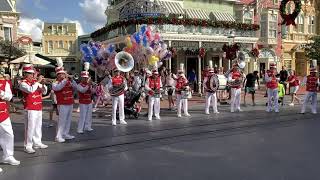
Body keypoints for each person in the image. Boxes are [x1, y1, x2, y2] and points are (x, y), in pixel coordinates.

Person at [19, 64, 48, 153]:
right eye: (30, 74)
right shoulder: (23, 83)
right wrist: (37, 82)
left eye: (33, 74)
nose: (32, 75)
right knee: (30, 128)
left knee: (38, 126)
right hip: (30, 108)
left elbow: (44, 92)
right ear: (25, 74)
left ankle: (37, 142)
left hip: (38, 107)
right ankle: (28, 145)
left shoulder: (36, 83)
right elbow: (30, 90)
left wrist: (43, 84)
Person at [0, 68, 20, 171]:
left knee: (9, 134)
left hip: (3, 113)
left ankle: (8, 156)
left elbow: (9, 96)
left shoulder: (4, 82)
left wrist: (1, 94)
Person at [52, 67, 77, 143]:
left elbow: (75, 87)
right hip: (62, 103)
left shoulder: (68, 81)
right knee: (62, 121)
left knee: (68, 120)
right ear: (58, 75)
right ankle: (58, 136)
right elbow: (58, 88)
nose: (63, 75)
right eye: (61, 74)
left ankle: (65, 133)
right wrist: (66, 79)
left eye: (63, 74)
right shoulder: (55, 83)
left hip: (70, 102)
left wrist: (72, 79)